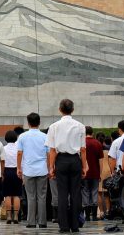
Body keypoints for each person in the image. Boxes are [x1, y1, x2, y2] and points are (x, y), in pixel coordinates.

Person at [45, 99, 87, 233]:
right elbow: (83, 149)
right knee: (75, 193)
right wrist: (84, 166)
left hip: (61, 160)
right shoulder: (80, 126)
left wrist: (51, 167)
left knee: (62, 194)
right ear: (73, 110)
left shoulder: (54, 126)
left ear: (59, 109)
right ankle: (75, 225)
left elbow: (52, 150)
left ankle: (63, 226)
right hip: (75, 160)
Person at [17, 112, 48, 229]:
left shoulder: (22, 137)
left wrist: (19, 168)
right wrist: (50, 168)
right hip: (42, 169)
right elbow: (48, 153)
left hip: (28, 170)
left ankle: (31, 222)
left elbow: (20, 153)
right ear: (39, 123)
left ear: (28, 123)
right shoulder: (45, 137)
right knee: (42, 196)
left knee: (30, 196)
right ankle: (42, 221)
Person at [83, 126, 104, 221]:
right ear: (92, 133)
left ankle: (87, 215)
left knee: (85, 192)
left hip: (84, 173)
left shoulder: (82, 143)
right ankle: (94, 215)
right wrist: (100, 173)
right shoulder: (97, 143)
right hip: (95, 172)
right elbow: (101, 161)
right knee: (94, 192)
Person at [2, 129, 23, 224]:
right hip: (17, 170)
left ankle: (9, 216)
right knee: (17, 194)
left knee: (7, 194)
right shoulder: (18, 148)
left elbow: (1, 161)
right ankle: (15, 216)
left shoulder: (3, 148)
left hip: (6, 171)